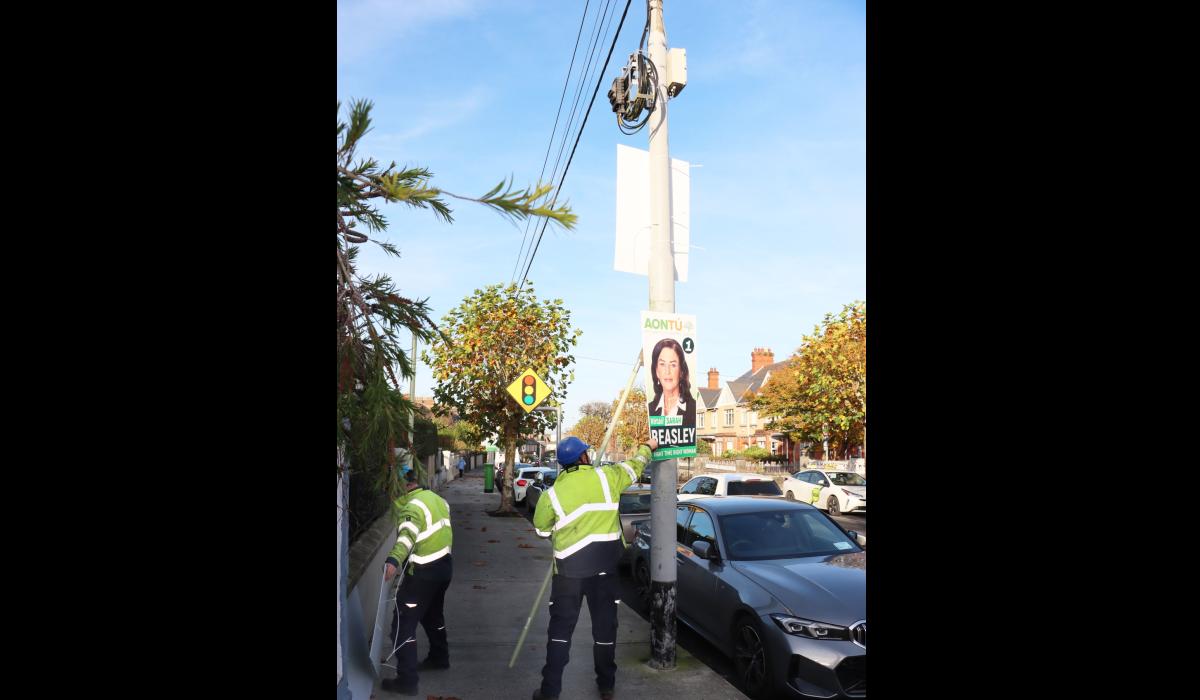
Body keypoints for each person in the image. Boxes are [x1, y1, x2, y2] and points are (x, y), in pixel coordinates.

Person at [530, 435, 659, 700]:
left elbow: (542, 531)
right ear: (584, 457)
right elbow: (636, 465)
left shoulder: (551, 494)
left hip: (568, 574)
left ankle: (549, 691)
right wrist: (648, 446)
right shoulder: (608, 477)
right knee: (605, 631)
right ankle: (606, 686)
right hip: (604, 572)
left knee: (560, 633)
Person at [381, 466, 454, 696]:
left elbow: (406, 537)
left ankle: (407, 680)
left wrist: (393, 560)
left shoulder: (412, 507)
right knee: (433, 616)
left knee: (403, 624)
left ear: (405, 486)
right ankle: (439, 657)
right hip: (444, 567)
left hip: (423, 572)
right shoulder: (437, 499)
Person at [646, 337, 697, 438]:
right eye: (662, 364)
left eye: (673, 365)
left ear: (681, 371)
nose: (667, 371)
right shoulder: (650, 409)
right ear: (656, 371)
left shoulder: (693, 409)